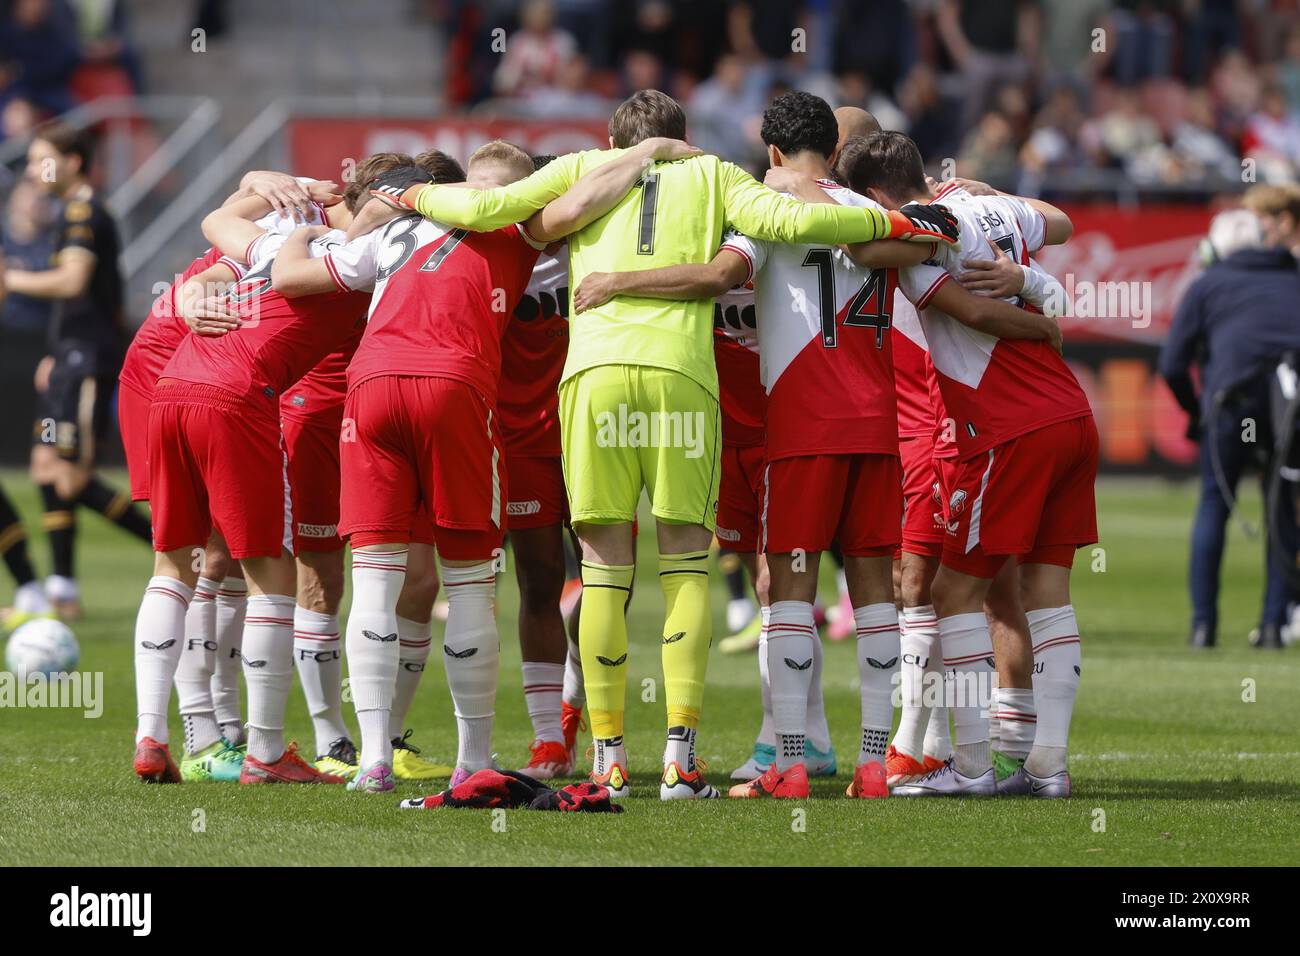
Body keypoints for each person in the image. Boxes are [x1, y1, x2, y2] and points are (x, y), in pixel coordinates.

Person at [372, 88, 961, 801]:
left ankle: (609, 756)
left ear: (615, 138)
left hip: (596, 379)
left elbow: (488, 209)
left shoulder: (586, 166)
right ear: (683, 136)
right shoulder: (715, 174)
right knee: (686, 568)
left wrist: (412, 199)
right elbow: (791, 217)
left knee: (601, 569)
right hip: (683, 378)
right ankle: (682, 760)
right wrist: (896, 216)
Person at [277, 137, 697, 793]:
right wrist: (646, 151)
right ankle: (473, 757)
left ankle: (374, 760)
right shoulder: (517, 223)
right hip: (455, 386)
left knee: (376, 581)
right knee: (471, 580)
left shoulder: (403, 229)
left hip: (371, 388)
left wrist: (297, 233)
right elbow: (584, 199)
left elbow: (292, 277)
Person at [845, 132, 1091, 799]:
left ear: (874, 197)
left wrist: (1038, 313)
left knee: (954, 594)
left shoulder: (934, 228)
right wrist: (1035, 278)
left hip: (1009, 429)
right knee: (1047, 598)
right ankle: (1047, 767)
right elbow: (1063, 222)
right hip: (1071, 414)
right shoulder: (988, 206)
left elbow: (879, 255)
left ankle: (975, 767)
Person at [4, 122, 151, 620]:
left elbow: (72, 281)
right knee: (47, 466)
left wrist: (9, 279)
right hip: (69, 356)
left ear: (70, 162)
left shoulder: (84, 211)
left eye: (39, 159)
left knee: (68, 477)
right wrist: (56, 349)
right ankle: (62, 589)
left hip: (87, 360)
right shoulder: (71, 212)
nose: (31, 170)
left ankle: (181, 550)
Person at [1160, 192, 1300, 650]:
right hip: (1289, 403)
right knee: (1282, 514)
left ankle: (1203, 628)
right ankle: (1275, 627)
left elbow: (1173, 364)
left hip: (1230, 402)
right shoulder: (1293, 276)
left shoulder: (1207, 283)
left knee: (1214, 506)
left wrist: (1195, 410)